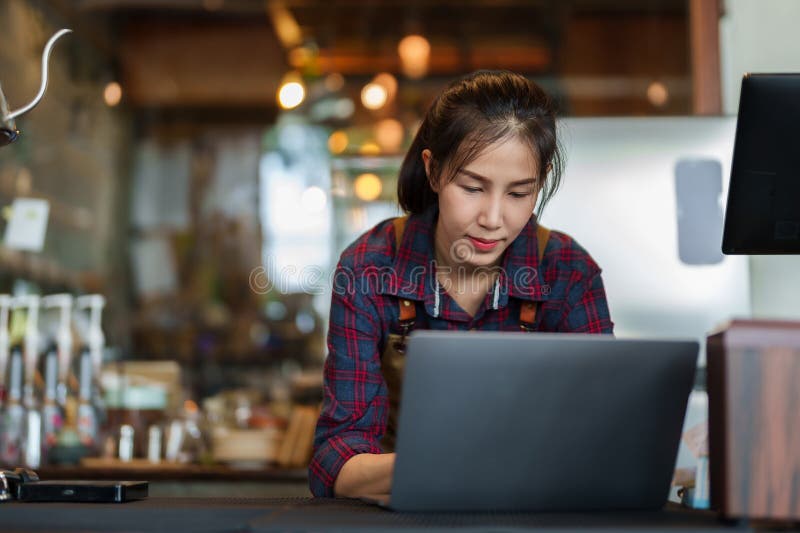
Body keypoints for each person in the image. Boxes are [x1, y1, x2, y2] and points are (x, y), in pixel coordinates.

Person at [309, 70, 614, 499]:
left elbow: (605, 437)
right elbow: (335, 462)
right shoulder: (369, 269)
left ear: (541, 182)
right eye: (472, 188)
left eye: (518, 194)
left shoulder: (569, 273)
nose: (493, 218)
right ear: (433, 170)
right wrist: (450, 462)